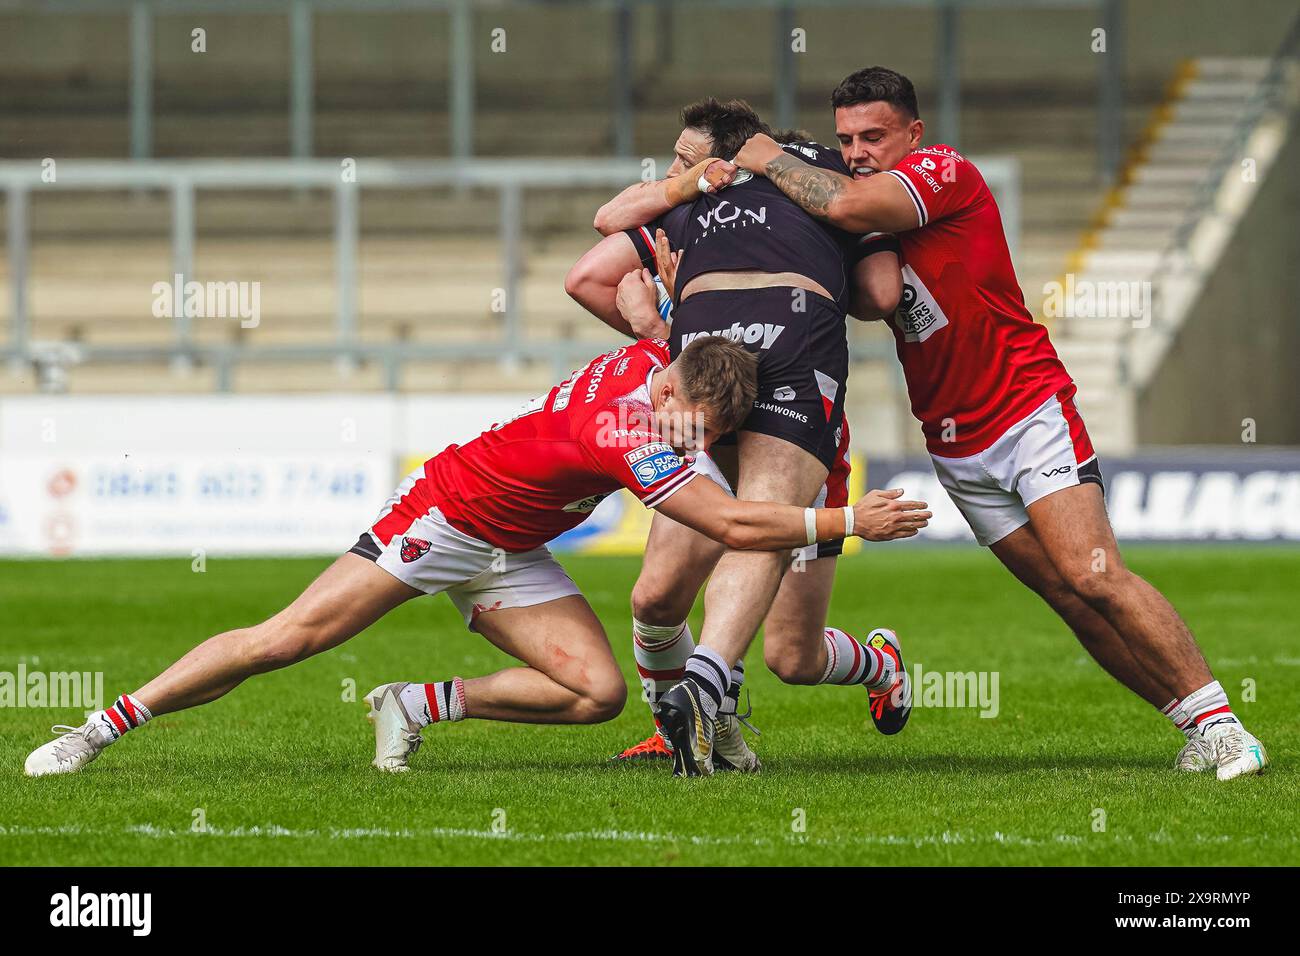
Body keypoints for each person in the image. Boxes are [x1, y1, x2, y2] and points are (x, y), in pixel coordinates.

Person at [24, 333, 930, 778]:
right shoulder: (628, 428)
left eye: (702, 432)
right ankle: (96, 731)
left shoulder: (657, 358)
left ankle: (414, 705)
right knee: (288, 639)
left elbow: (621, 291)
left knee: (595, 694)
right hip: (441, 519)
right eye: (688, 424)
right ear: (670, 389)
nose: (683, 438)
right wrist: (849, 522)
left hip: (512, 546)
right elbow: (732, 527)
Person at [720, 66, 1267, 782]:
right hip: (955, 445)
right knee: (1066, 597)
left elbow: (849, 204)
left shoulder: (944, 171)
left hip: (1027, 409)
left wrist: (763, 156)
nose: (857, 150)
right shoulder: (866, 224)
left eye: (874, 136)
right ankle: (1194, 725)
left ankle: (1228, 729)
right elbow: (874, 292)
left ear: (913, 134)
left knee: (1094, 573)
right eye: (846, 138)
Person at [568, 97, 912, 776]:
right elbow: (588, 269)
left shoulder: (823, 187)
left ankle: (863, 667)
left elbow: (878, 293)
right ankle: (695, 712)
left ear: (731, 154)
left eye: (685, 159)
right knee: (656, 596)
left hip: (772, 383)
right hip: (723, 371)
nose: (674, 170)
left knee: (793, 654)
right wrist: (666, 323)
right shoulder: (705, 197)